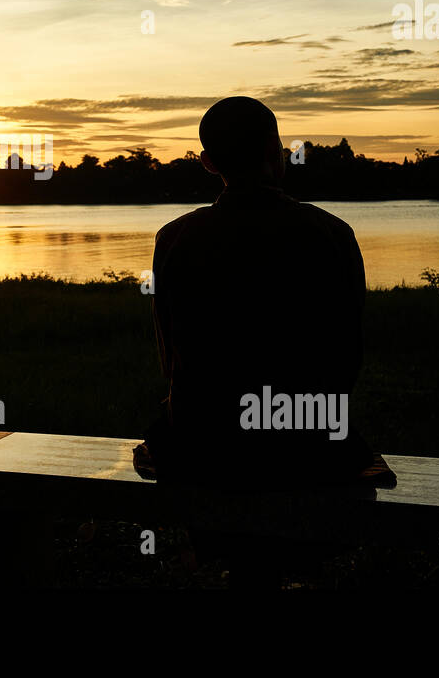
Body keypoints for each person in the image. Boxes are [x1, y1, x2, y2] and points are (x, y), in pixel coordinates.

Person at [136, 96, 375, 487]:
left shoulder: (174, 238)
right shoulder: (331, 233)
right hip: (309, 446)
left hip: (204, 448)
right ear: (274, 151)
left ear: (209, 163)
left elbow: (171, 363)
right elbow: (347, 359)